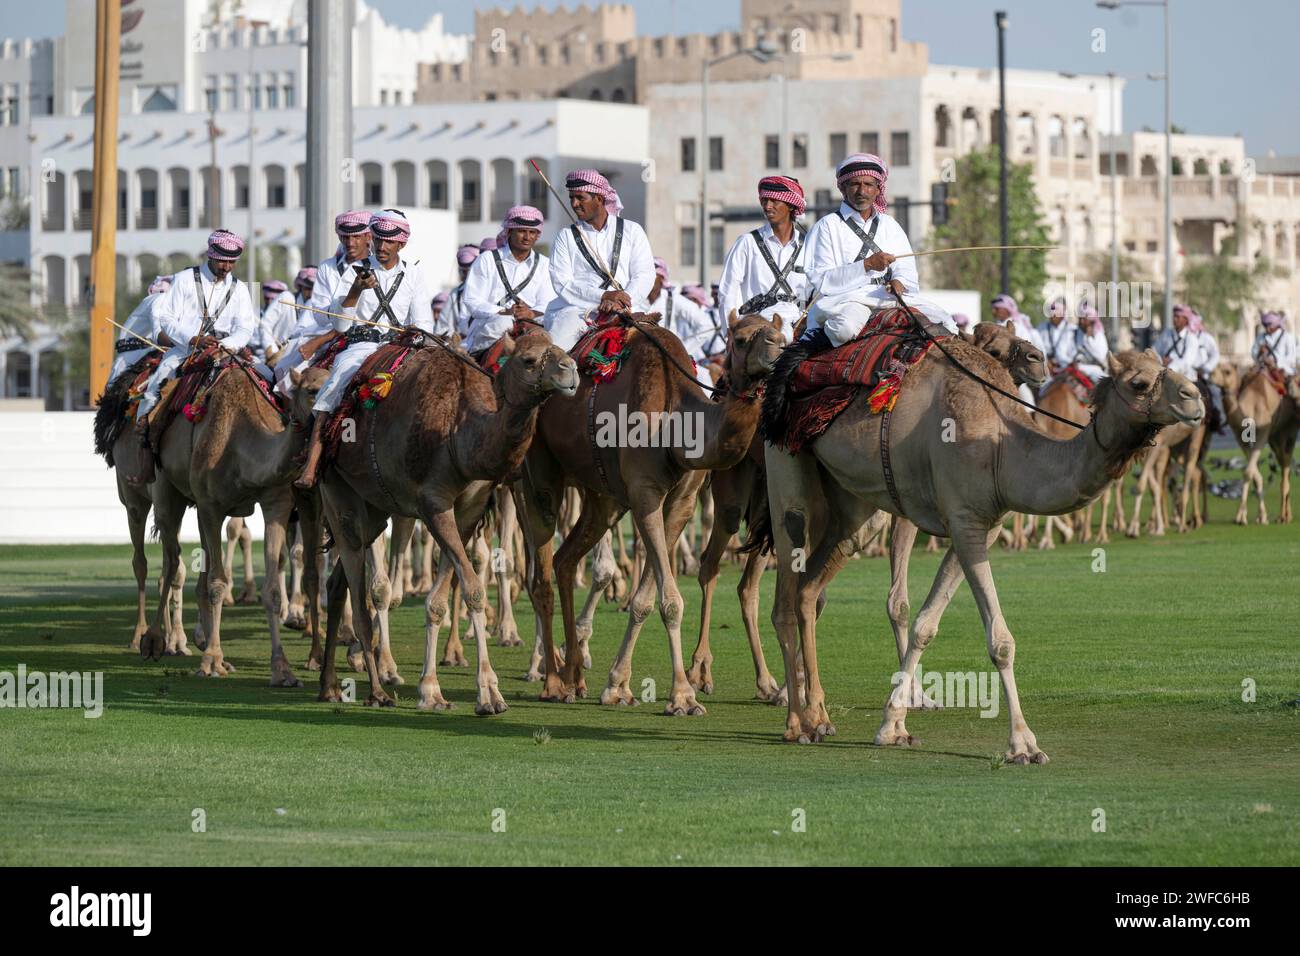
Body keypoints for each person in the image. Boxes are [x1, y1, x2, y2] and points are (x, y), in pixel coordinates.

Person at [295, 209, 432, 488]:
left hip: (401, 348)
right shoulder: (354, 271)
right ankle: (311, 466)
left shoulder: (414, 274)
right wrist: (356, 289)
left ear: (401, 244)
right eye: (378, 240)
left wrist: (414, 333)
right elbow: (341, 326)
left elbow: (423, 322)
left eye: (389, 242)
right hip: (362, 346)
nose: (382, 247)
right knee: (333, 386)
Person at [132, 230, 256, 481]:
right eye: (223, 261)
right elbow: (166, 319)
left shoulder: (240, 288)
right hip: (186, 351)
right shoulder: (185, 279)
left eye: (232, 262)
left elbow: (246, 328)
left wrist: (227, 345)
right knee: (153, 391)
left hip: (226, 352)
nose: (227, 267)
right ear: (211, 255)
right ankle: (146, 457)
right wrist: (193, 338)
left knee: (268, 381)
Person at [801, 152, 956, 350]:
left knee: (946, 324)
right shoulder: (827, 226)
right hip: (849, 299)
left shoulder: (890, 225)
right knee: (844, 329)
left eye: (868, 184)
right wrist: (866, 265)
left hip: (889, 297)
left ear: (877, 190)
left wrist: (899, 282)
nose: (861, 191)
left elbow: (906, 268)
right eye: (855, 184)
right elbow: (822, 280)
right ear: (844, 188)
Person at [543, 167, 654, 351]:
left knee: (666, 350)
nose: (574, 204)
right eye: (571, 198)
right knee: (553, 356)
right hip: (580, 312)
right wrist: (602, 296)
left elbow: (644, 274)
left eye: (580, 198)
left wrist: (623, 300)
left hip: (629, 308)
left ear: (599, 199)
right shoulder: (566, 236)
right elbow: (562, 282)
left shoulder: (632, 230)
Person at [274, 211, 371, 391]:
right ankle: (296, 419)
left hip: (367, 336)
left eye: (356, 237)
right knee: (284, 373)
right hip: (328, 334)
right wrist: (341, 313)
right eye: (345, 237)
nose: (350, 243)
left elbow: (364, 317)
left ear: (368, 236)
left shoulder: (376, 266)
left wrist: (336, 317)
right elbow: (319, 315)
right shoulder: (327, 267)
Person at [718, 175, 809, 345]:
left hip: (800, 325)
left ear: (790, 205)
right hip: (757, 327)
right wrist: (731, 333)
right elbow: (728, 291)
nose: (767, 206)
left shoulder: (809, 246)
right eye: (764, 201)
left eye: (774, 201)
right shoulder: (747, 242)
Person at [463, 205, 557, 357]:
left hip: (532, 326)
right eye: (521, 231)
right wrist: (503, 312)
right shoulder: (487, 259)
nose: (527, 237)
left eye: (532, 232)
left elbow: (548, 303)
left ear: (537, 235)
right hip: (491, 326)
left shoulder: (544, 264)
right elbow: (472, 300)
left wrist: (531, 313)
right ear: (509, 232)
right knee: (503, 323)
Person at [645, 259, 714, 385]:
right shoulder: (634, 299)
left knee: (704, 378)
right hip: (640, 356)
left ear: (662, 278)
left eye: (652, 275)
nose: (647, 279)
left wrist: (682, 349)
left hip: (671, 359)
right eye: (645, 274)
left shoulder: (673, 299)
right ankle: (620, 406)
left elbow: (706, 325)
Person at [108, 275, 171, 387]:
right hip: (133, 361)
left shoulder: (157, 300)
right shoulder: (159, 300)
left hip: (142, 357)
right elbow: (161, 333)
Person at [250, 279, 296, 368]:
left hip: (283, 355)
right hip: (259, 357)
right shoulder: (254, 315)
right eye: (267, 298)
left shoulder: (290, 309)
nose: (270, 302)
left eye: (273, 299)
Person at [1153, 304, 1200, 378]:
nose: (1174, 319)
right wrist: (1160, 361)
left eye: (1178, 317)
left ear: (1186, 320)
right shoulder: (1166, 333)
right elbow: (1155, 350)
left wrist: (1170, 365)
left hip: (1185, 377)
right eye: (1174, 316)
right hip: (1162, 373)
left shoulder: (1192, 339)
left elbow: (1187, 362)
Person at [1036, 297, 1079, 374]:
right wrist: (1046, 362)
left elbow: (1075, 352)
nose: (1052, 317)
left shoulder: (1072, 329)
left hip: (1067, 368)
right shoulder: (1041, 328)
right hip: (1044, 367)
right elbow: (1036, 347)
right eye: (1051, 314)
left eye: (1055, 314)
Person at [447, 244, 481, 341]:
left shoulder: (495, 288)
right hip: (462, 347)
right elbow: (444, 327)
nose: (467, 276)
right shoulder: (455, 294)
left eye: (470, 272)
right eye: (464, 272)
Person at [1073, 304, 1109, 383]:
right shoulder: (1075, 333)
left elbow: (1100, 357)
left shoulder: (1099, 335)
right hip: (1076, 367)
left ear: (1092, 321)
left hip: (1096, 369)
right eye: (1080, 318)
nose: (1081, 321)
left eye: (1084, 319)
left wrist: (1089, 339)